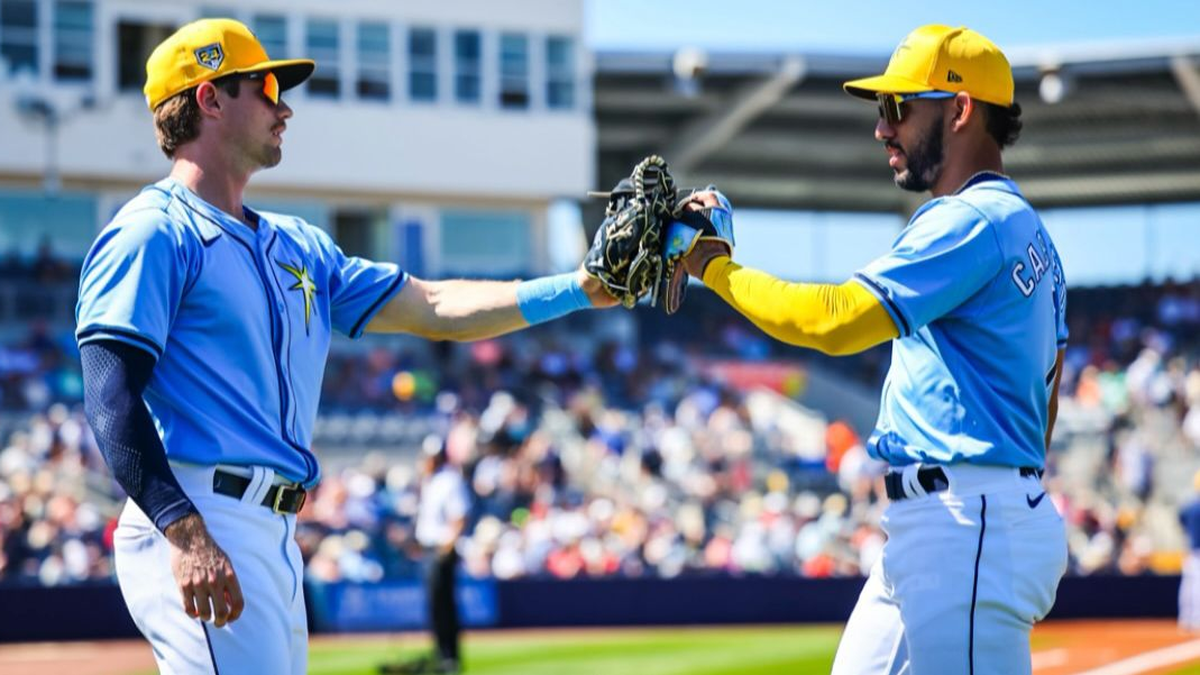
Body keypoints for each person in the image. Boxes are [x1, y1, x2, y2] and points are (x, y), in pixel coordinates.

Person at [75, 18, 616, 674]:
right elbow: (110, 395)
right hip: (199, 513)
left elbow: (436, 307)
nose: (285, 106)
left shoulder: (297, 243)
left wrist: (582, 287)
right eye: (267, 86)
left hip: (272, 529)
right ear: (209, 99)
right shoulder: (152, 232)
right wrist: (183, 529)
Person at [679, 24, 1069, 675]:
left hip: (963, 522)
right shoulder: (1029, 234)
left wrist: (715, 268)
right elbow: (1047, 402)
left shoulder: (969, 219)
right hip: (950, 521)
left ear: (961, 108)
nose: (882, 128)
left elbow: (834, 321)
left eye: (897, 107)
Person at [381, 436, 471, 674]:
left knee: (443, 606)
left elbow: (459, 517)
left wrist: (446, 547)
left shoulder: (450, 480)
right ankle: (442, 655)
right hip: (430, 549)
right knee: (435, 606)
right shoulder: (431, 482)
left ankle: (449, 657)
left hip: (441, 550)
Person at [1179, 471, 1200, 631]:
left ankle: (1185, 618)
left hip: (1192, 550)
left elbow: (1181, 521)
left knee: (1188, 586)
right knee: (1196, 587)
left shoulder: (1189, 506)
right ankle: (1196, 619)